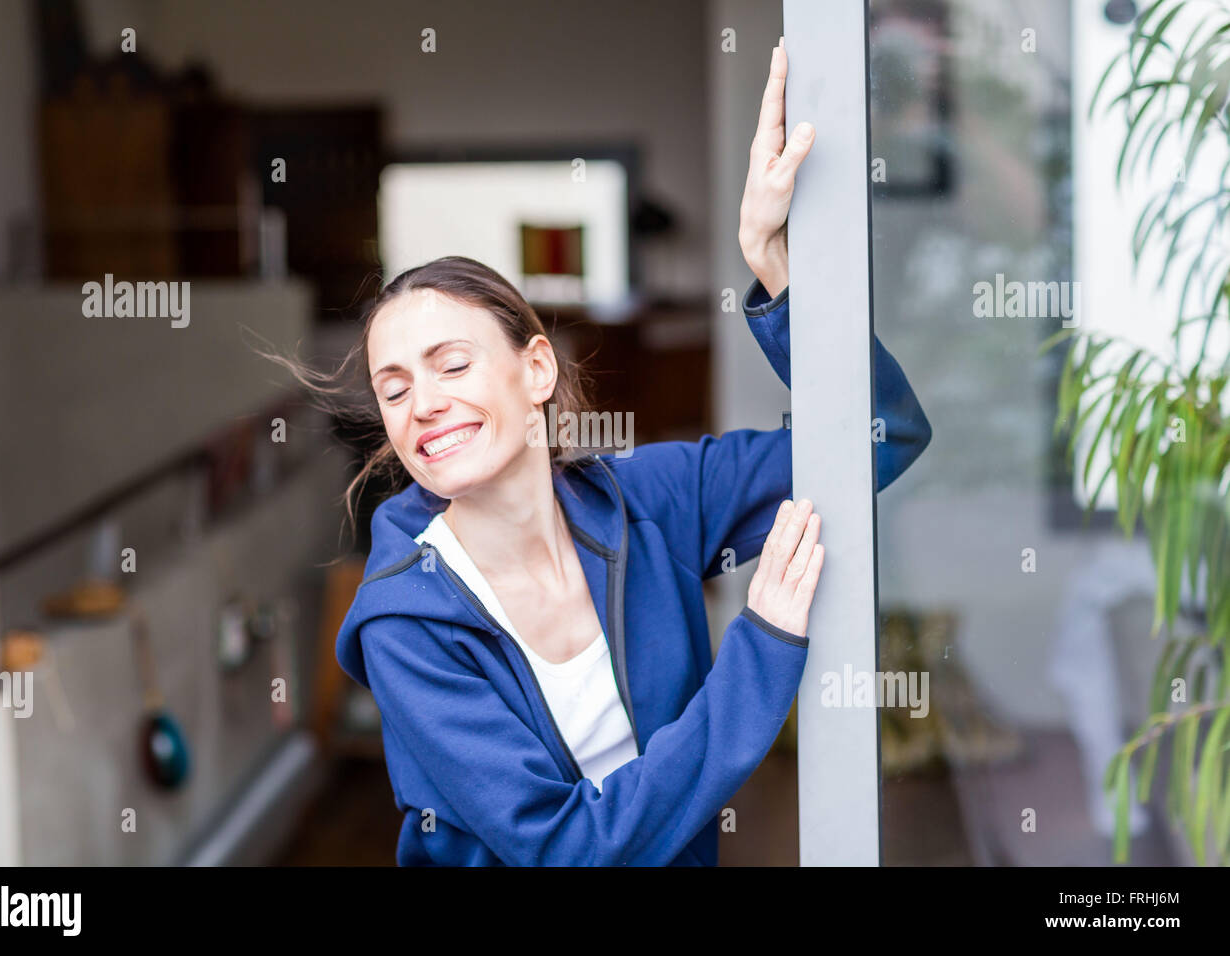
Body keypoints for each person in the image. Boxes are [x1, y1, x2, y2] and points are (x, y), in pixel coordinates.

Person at [329, 39, 932, 865]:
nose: (424, 405)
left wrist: (776, 266)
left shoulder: (656, 501)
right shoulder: (407, 622)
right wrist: (761, 647)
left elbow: (883, 432)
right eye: (394, 389)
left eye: (453, 365)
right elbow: (566, 848)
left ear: (536, 367)